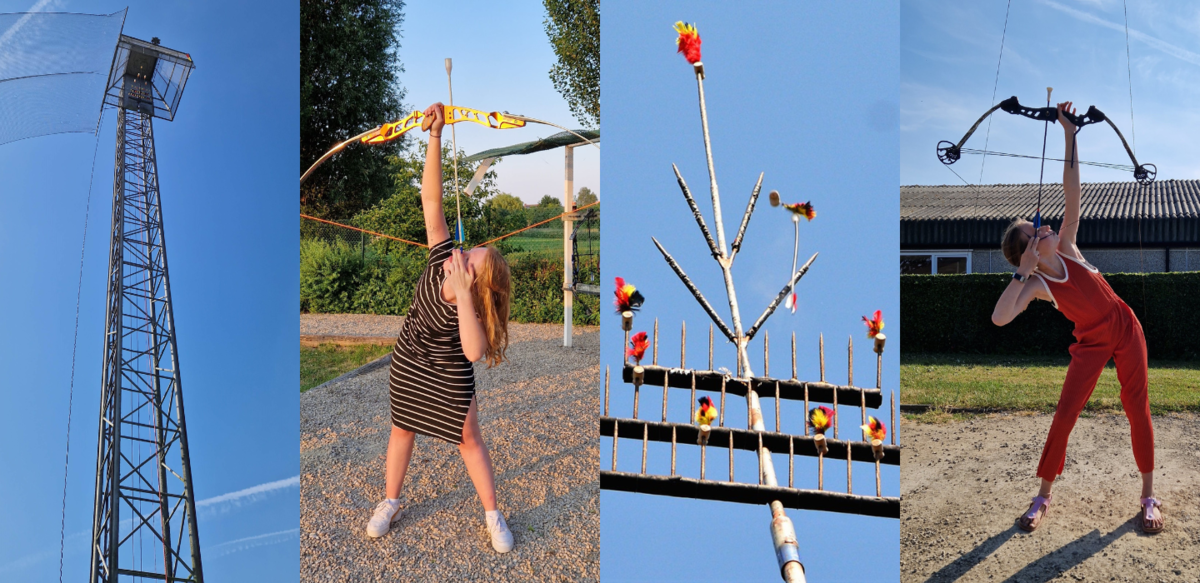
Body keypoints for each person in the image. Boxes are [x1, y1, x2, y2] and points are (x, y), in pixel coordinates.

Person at [991, 101, 1161, 534]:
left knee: (1136, 407)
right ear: (1028, 252)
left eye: (1039, 227)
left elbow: (1072, 193)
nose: (1042, 229)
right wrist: (1022, 273)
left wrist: (1069, 133)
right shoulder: (1035, 283)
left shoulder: (1066, 245)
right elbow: (999, 318)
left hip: (1125, 326)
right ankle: (1042, 496)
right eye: (1034, 234)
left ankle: (1148, 496)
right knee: (1065, 414)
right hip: (1090, 343)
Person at [365, 102, 515, 552]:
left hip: (449, 374)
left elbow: (471, 352)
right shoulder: (439, 257)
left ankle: (493, 514)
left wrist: (463, 295)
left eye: (470, 260)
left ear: (477, 285)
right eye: (468, 250)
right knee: (402, 428)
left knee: (469, 439)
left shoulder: (469, 306)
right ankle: (391, 500)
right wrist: (434, 135)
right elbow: (432, 201)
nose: (461, 253)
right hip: (409, 361)